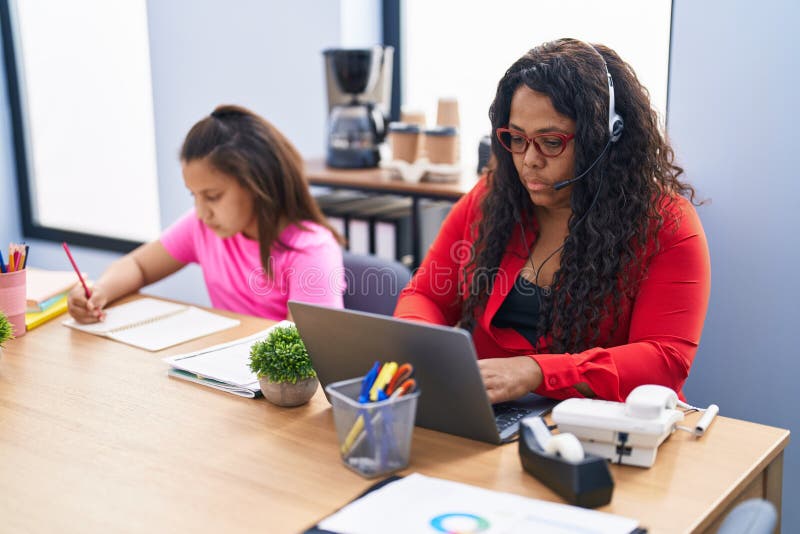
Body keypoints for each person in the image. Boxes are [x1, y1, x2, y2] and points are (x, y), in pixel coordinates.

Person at [394, 39, 710, 404]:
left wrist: (535, 372)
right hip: (491, 419)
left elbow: (665, 360)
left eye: (551, 142)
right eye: (517, 138)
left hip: (602, 427)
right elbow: (427, 295)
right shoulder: (493, 198)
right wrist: (423, 349)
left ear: (604, 139)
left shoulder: (665, 224)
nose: (529, 160)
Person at [68, 104, 344, 323]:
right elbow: (138, 266)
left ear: (256, 184)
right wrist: (100, 291)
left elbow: (303, 352)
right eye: (194, 195)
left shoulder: (311, 250)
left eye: (212, 196)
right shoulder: (202, 227)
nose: (201, 212)